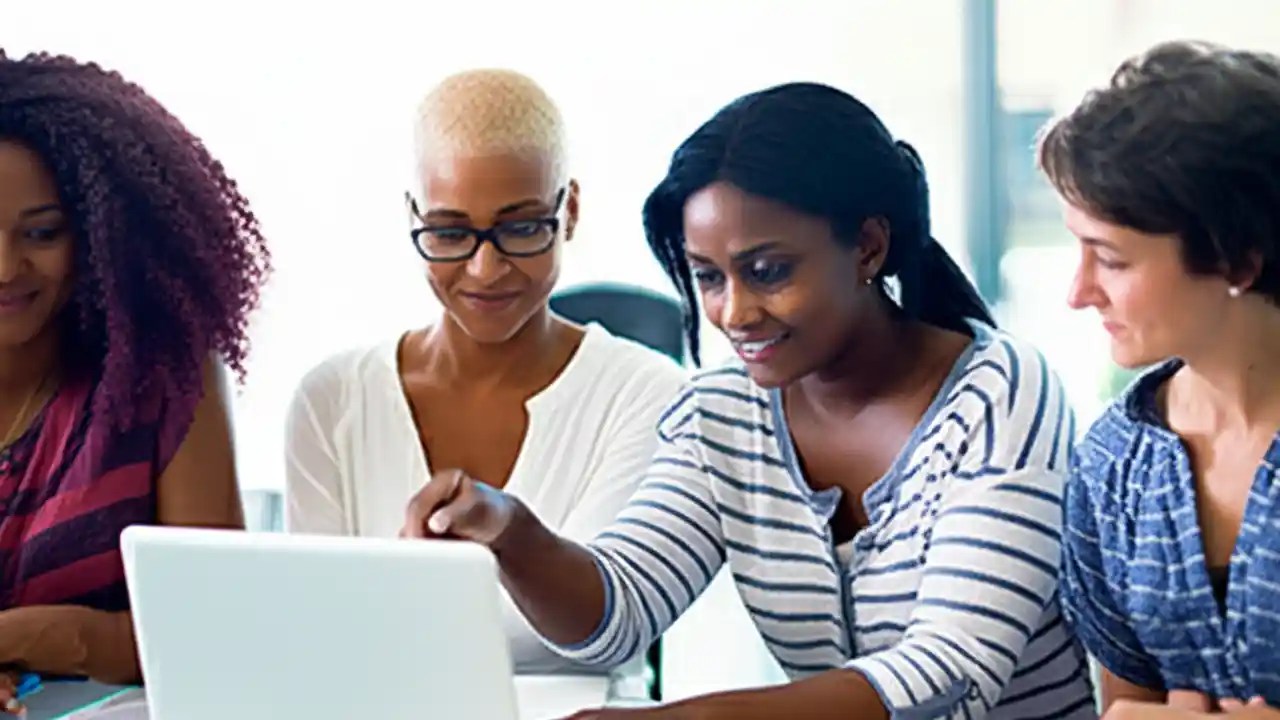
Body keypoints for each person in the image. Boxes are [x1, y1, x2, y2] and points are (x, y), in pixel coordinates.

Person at [399, 81, 1096, 719]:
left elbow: (951, 672)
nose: (734, 312)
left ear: (868, 247)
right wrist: (509, 530)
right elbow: (618, 616)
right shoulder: (722, 417)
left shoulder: (1001, 395)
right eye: (707, 277)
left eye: (768, 272)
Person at [283, 68, 686, 686]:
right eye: (449, 232)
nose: (485, 268)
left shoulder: (648, 394)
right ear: (414, 218)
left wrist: (507, 539)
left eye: (522, 227)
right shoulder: (331, 401)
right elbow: (317, 641)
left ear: (569, 210)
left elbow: (603, 637)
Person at [0, 50, 269, 712]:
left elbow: (219, 636)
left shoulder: (159, 375)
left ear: (99, 229)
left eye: (41, 233)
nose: (6, 268)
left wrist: (42, 636)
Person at [1043, 40, 1280, 717]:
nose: (1079, 291)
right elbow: (1128, 707)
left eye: (1110, 259)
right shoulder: (1113, 465)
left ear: (1238, 260)